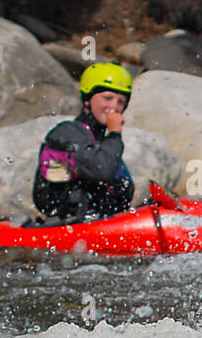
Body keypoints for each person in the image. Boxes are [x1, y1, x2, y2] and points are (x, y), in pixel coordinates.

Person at [33, 63, 135, 221]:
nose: (114, 107)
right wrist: (115, 134)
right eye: (107, 98)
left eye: (120, 102)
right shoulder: (66, 134)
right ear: (87, 100)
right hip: (65, 224)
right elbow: (100, 169)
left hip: (98, 223)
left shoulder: (102, 143)